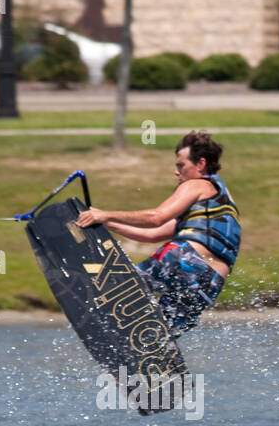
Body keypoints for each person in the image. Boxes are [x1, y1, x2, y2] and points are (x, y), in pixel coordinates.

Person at [75, 131, 240, 337]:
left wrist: (105, 213)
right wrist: (108, 223)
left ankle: (104, 322)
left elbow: (156, 217)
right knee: (159, 335)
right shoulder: (217, 203)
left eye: (181, 165)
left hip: (184, 258)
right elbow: (154, 234)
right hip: (210, 280)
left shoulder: (197, 184)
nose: (176, 172)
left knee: (119, 292)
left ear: (201, 164)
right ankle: (148, 354)